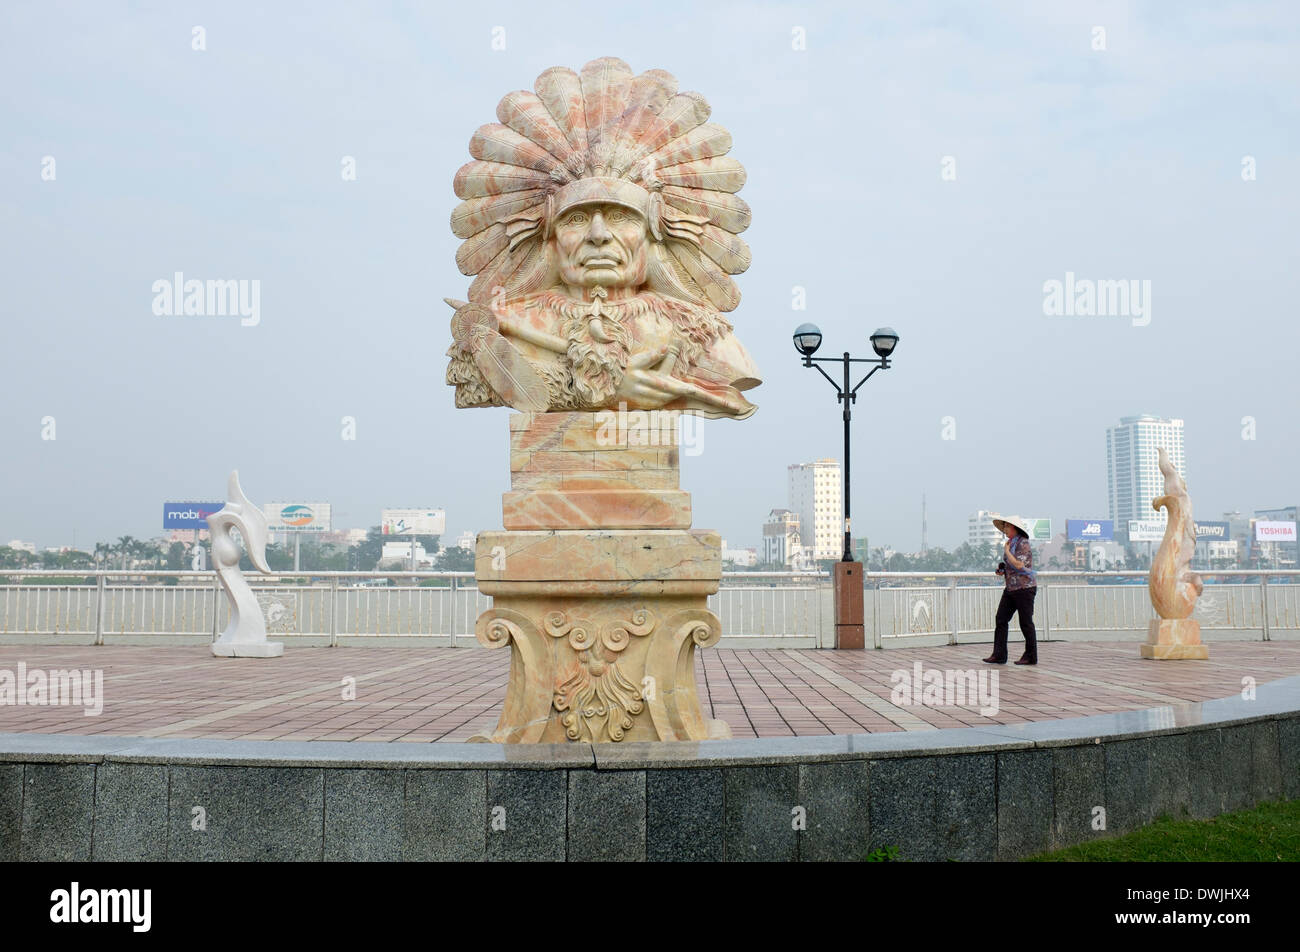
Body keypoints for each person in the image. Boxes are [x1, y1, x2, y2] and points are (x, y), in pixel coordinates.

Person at [983, 514, 1038, 666]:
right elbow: (1012, 565)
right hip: (1011, 588)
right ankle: (999, 654)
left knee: (1026, 623)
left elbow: (1020, 565)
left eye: (1006, 527)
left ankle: (1031, 656)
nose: (1004, 530)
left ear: (1014, 528)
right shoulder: (1011, 543)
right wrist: (1002, 569)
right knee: (1001, 618)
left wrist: (1006, 552)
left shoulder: (1023, 543)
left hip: (1025, 588)